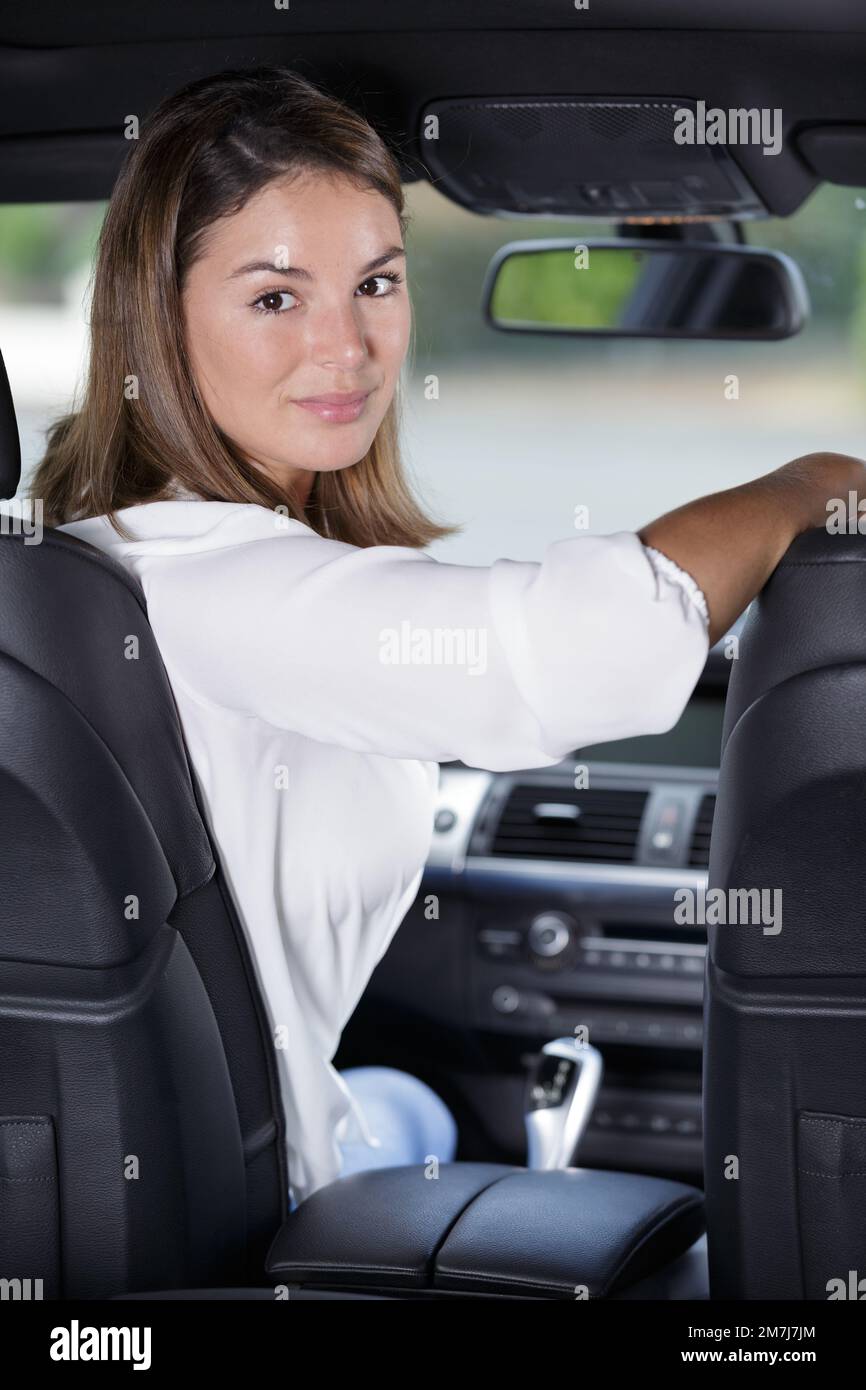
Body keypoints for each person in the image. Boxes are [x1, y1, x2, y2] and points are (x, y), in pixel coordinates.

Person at [30, 65, 866, 1210]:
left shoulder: (92, 561)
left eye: (375, 282)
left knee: (416, 1101)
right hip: (245, 1200)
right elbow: (583, 649)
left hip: (159, 1154)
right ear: (156, 317)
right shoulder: (219, 584)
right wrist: (810, 479)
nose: (348, 347)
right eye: (275, 297)